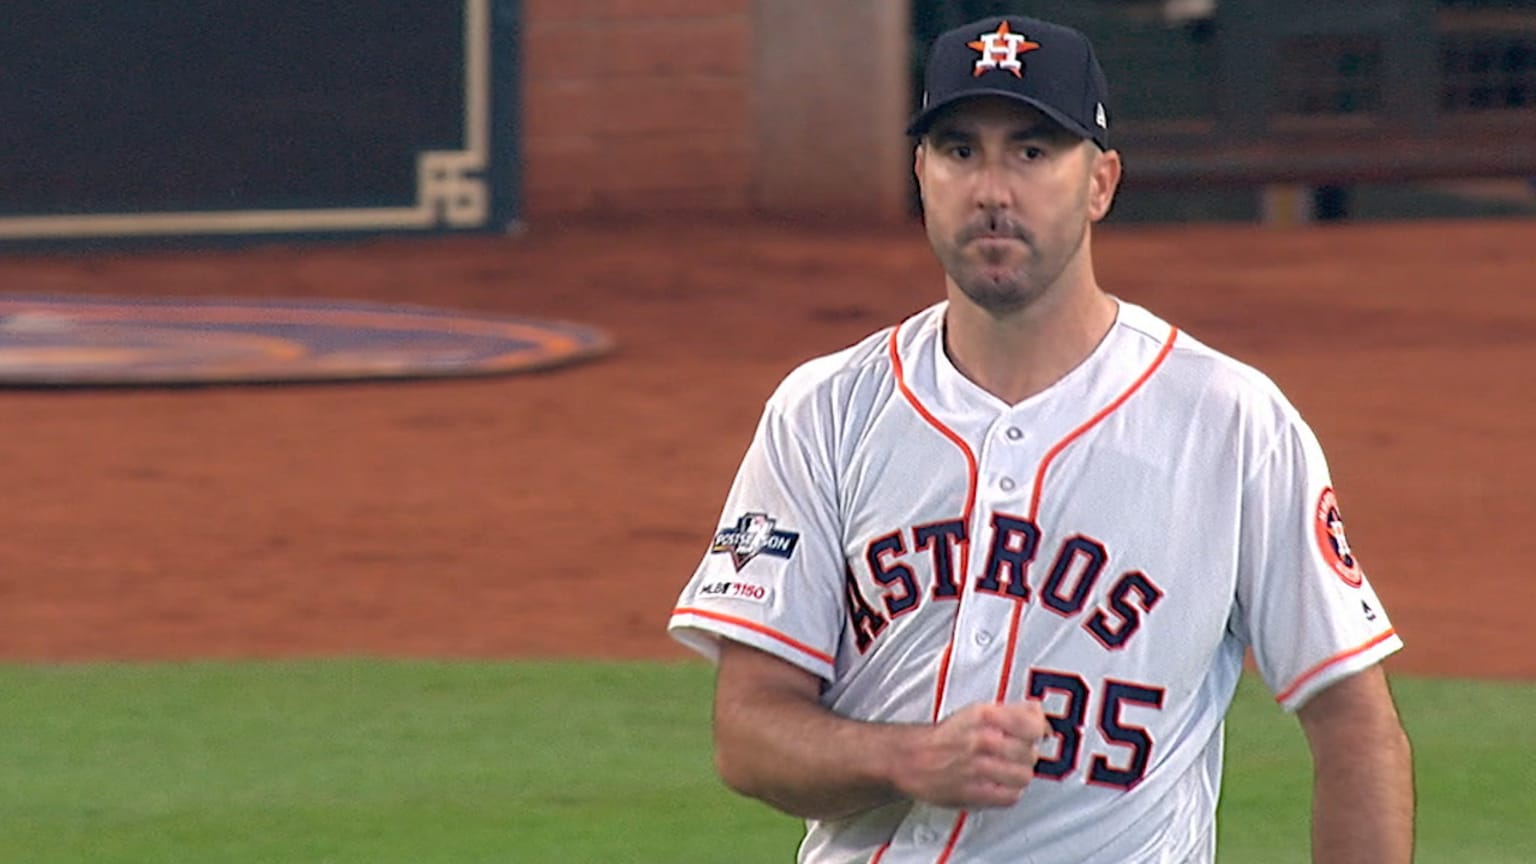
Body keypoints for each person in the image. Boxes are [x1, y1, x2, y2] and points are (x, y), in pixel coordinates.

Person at [667, 14, 1413, 863]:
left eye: (1032, 152)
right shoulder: (822, 412)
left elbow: (1356, 728)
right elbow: (749, 733)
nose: (992, 189)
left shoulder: (1231, 422)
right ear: (922, 175)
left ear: (1100, 183)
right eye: (959, 150)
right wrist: (905, 757)